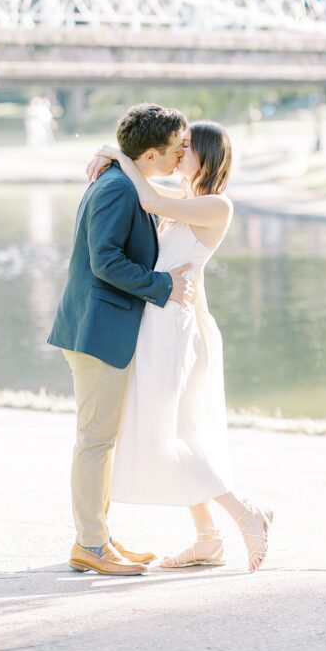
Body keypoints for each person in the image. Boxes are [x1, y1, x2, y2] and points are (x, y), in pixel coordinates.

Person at [88, 121, 274, 573]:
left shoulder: (216, 206)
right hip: (164, 320)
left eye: (187, 147)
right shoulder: (187, 205)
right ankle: (207, 538)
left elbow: (148, 198)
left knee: (166, 434)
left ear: (207, 157)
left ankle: (246, 516)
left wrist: (117, 154)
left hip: (171, 327)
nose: (177, 151)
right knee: (177, 432)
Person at [47, 103, 194, 576]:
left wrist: (114, 152)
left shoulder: (126, 180)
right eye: (177, 150)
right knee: (94, 440)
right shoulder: (115, 188)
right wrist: (165, 285)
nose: (181, 158)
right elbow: (104, 261)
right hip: (97, 330)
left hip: (101, 327)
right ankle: (90, 544)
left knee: (101, 439)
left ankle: (98, 536)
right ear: (150, 155)